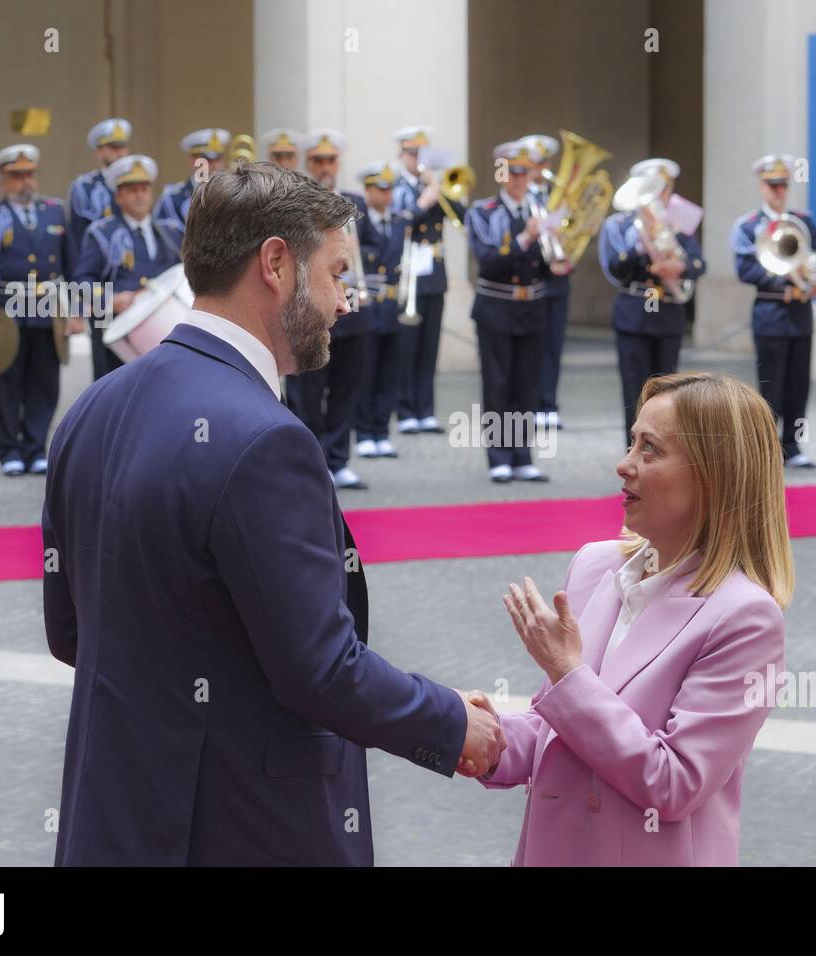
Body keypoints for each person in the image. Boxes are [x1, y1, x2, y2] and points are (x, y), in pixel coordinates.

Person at [42, 162, 504, 865]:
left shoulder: (90, 411)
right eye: (338, 273)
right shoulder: (267, 440)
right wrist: (451, 723)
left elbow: (71, 632)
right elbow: (318, 669)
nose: (347, 302)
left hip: (110, 819)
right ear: (277, 264)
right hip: (237, 829)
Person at [477, 371, 791, 866]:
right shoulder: (594, 565)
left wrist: (567, 675)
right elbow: (553, 730)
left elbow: (674, 782)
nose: (624, 465)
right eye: (631, 443)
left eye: (650, 450)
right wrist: (480, 736)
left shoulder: (746, 618)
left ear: (713, 476)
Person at [731, 153, 816, 468]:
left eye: (783, 185)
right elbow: (745, 270)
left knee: (799, 384)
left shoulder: (801, 221)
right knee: (770, 385)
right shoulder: (750, 225)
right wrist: (785, 273)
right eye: (772, 185)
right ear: (762, 187)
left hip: (800, 313)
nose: (779, 191)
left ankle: (792, 446)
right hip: (770, 311)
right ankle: (765, 449)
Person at [598, 158, 707, 447]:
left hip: (668, 312)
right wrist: (641, 243)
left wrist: (680, 268)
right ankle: (633, 449)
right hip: (635, 310)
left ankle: (663, 449)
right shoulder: (620, 225)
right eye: (654, 189)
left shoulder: (679, 226)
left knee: (669, 389)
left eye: (665, 188)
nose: (661, 195)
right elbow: (614, 269)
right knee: (634, 389)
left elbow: (699, 263)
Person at [0, 144, 78, 476]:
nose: (24, 182)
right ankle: (9, 449)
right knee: (8, 380)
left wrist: (78, 311)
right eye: (16, 176)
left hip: (46, 309)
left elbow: (71, 265)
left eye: (29, 175)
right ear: (3, 180)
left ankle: (35, 446)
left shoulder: (54, 211)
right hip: (5, 308)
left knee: (44, 380)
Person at [463, 141, 551, 484]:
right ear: (502, 174)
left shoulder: (541, 208)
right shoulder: (483, 211)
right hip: (496, 306)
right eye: (512, 171)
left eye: (524, 172)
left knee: (527, 385)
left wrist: (559, 255)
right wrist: (525, 240)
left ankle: (522, 456)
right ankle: (499, 456)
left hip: (532, 306)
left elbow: (547, 264)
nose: (518, 179)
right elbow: (487, 259)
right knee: (498, 384)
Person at [288, 130, 371, 490]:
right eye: (318, 161)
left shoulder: (355, 202)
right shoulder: (296, 203)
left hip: (352, 307)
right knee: (307, 391)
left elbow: (380, 249)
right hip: (311, 309)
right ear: (309, 164)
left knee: (345, 387)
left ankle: (339, 459)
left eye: (330, 160)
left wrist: (359, 256)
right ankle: (311, 462)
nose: (325, 167)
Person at [72, 155, 183, 379]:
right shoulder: (102, 233)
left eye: (144, 188)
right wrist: (109, 300)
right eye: (132, 190)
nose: (140, 195)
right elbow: (82, 282)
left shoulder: (170, 232)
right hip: (118, 336)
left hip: (162, 335)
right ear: (119, 196)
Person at [390, 125, 463, 435]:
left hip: (433, 272)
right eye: (412, 153)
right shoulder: (396, 187)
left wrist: (443, 192)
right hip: (408, 271)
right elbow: (399, 222)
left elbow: (462, 216)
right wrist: (424, 201)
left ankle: (426, 409)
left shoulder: (436, 184)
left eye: (422, 153)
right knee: (407, 345)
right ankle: (405, 409)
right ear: (402, 155)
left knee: (430, 345)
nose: (417, 159)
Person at [352, 161, 410, 461]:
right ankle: (363, 432)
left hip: (393, 307)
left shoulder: (400, 222)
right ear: (368, 190)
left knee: (389, 373)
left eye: (390, 189)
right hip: (368, 305)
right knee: (366, 372)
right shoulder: (358, 223)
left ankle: (381, 430)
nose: (386, 195)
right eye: (380, 189)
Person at [68, 118, 131, 380]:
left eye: (122, 146)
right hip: (100, 291)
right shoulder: (84, 188)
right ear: (99, 151)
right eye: (112, 147)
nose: (119, 152)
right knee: (106, 373)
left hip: (134, 290)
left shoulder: (132, 182)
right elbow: (75, 248)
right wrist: (77, 303)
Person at [519, 132, 569, 430]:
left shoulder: (558, 197)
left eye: (543, 163)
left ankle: (549, 402)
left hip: (559, 277)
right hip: (531, 276)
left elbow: (577, 231)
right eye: (533, 164)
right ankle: (530, 402)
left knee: (553, 343)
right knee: (531, 344)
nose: (540, 169)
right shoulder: (520, 198)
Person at [157, 128, 229, 230]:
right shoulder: (172, 199)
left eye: (218, 159)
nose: (214, 165)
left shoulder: (230, 195)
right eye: (207, 159)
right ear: (192, 161)